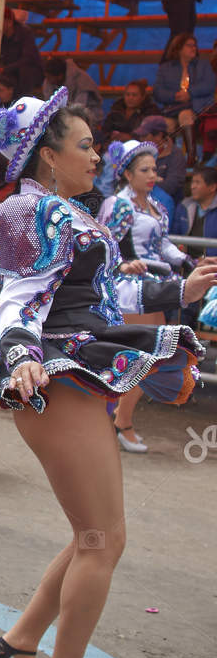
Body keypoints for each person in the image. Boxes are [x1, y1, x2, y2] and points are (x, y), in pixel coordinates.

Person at [0, 87, 215, 658]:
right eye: (85, 145)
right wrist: (21, 353)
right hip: (54, 378)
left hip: (71, 372)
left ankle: (20, 645)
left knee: (91, 536)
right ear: (48, 157)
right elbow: (18, 298)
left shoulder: (70, 212)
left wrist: (177, 287)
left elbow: (108, 292)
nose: (96, 154)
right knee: (103, 540)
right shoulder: (30, 212)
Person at [97, 137, 193, 451]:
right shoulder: (118, 205)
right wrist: (124, 265)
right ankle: (113, 420)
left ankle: (120, 419)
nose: (153, 175)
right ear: (127, 174)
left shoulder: (157, 206)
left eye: (154, 169)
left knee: (149, 356)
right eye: (145, 169)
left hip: (154, 287)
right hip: (128, 290)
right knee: (133, 356)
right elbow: (104, 245)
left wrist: (185, 261)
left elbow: (163, 244)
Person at [152, 31, 216, 136]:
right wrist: (174, 96)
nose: (193, 48)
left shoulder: (204, 65)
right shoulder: (166, 68)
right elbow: (158, 91)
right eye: (189, 45)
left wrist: (189, 93)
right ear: (178, 48)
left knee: (184, 115)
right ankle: (169, 152)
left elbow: (209, 85)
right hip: (172, 110)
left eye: (194, 45)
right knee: (165, 123)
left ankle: (191, 152)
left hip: (198, 109)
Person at [0, 11, 44, 98]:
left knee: (25, 71)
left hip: (29, 70)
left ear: (9, 22)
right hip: (9, 69)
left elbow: (28, 58)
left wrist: (5, 69)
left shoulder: (25, 33)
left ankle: (24, 99)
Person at [137, 115, 188, 199]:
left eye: (145, 135)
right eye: (140, 135)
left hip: (167, 204)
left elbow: (171, 187)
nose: (141, 139)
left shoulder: (175, 154)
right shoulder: (138, 153)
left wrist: (142, 185)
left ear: (159, 135)